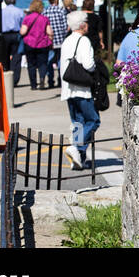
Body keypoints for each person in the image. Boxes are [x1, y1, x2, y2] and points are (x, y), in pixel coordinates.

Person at [60, 12, 99, 171]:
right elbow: (88, 64)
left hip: (68, 88)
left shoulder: (67, 41)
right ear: (82, 25)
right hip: (82, 89)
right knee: (93, 120)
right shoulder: (83, 40)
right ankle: (77, 148)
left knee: (78, 123)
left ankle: (78, 159)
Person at [19, 0, 53, 90]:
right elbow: (49, 32)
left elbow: (23, 32)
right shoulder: (45, 19)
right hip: (43, 43)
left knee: (31, 64)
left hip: (30, 43)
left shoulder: (27, 18)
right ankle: (42, 78)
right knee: (43, 63)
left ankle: (33, 85)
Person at [43, 0, 69, 89]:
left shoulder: (45, 12)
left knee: (49, 60)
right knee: (60, 61)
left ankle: (50, 80)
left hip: (49, 41)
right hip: (61, 40)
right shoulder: (61, 11)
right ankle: (60, 80)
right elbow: (65, 27)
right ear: (56, 0)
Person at [0, 0, 25, 85]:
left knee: (4, 57)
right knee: (16, 57)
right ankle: (14, 79)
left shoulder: (1, 12)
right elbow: (23, 25)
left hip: (4, 35)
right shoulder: (19, 11)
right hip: (16, 35)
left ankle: (5, 76)